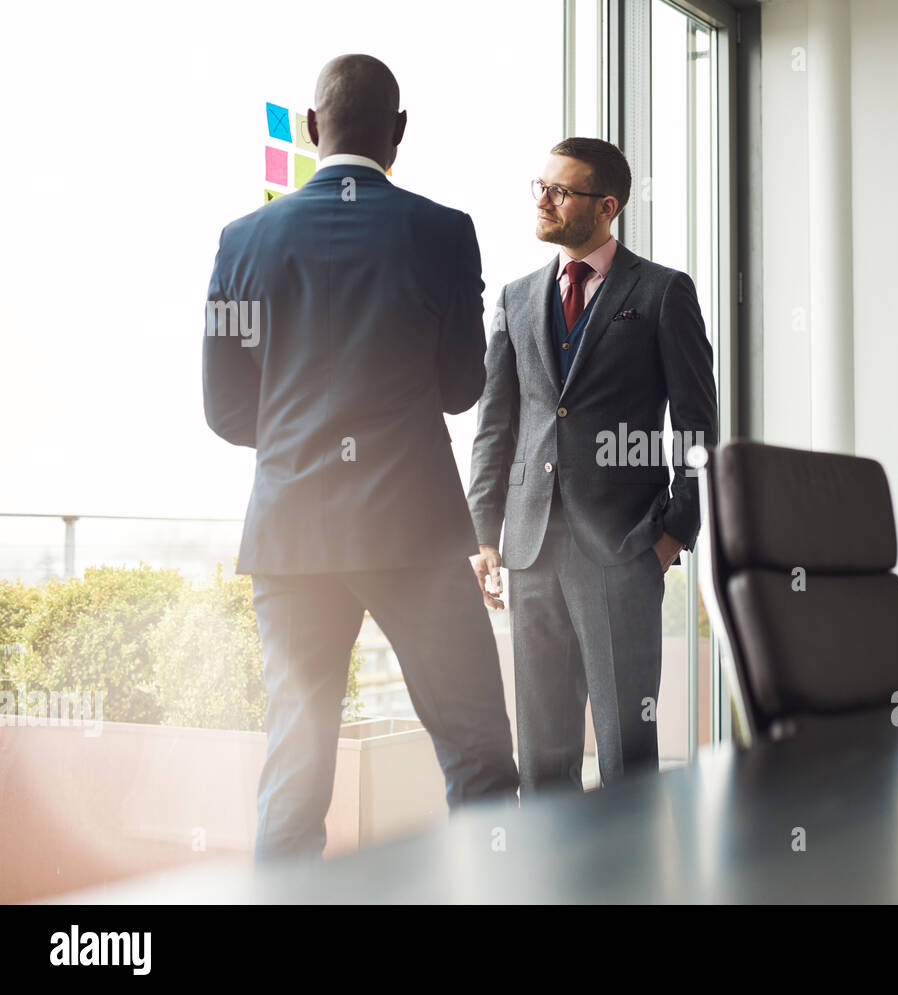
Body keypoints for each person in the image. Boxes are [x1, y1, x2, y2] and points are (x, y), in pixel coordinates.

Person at [203, 54, 519, 863]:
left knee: (297, 765)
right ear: (399, 133)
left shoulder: (243, 240)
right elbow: (458, 388)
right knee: (479, 755)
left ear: (313, 130)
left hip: (292, 537)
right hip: (413, 532)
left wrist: (299, 445)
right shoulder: (443, 232)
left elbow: (226, 409)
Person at [468, 138, 719, 796]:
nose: (544, 199)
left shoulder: (663, 292)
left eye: (561, 190)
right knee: (544, 752)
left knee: (624, 748)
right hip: (528, 548)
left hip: (623, 546)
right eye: (541, 186)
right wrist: (483, 534)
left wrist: (671, 534)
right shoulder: (518, 297)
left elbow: (697, 424)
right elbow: (497, 423)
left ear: (606, 206)